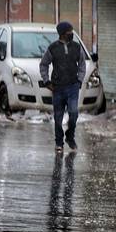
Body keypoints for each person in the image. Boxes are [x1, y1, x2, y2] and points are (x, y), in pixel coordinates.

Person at [39, 20, 89, 152]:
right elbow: (43, 64)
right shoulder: (53, 48)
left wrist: (79, 80)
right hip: (58, 88)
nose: (71, 34)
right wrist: (47, 81)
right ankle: (59, 142)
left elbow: (82, 64)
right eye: (69, 32)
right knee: (58, 117)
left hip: (73, 87)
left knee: (73, 113)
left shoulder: (77, 47)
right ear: (62, 34)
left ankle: (70, 136)